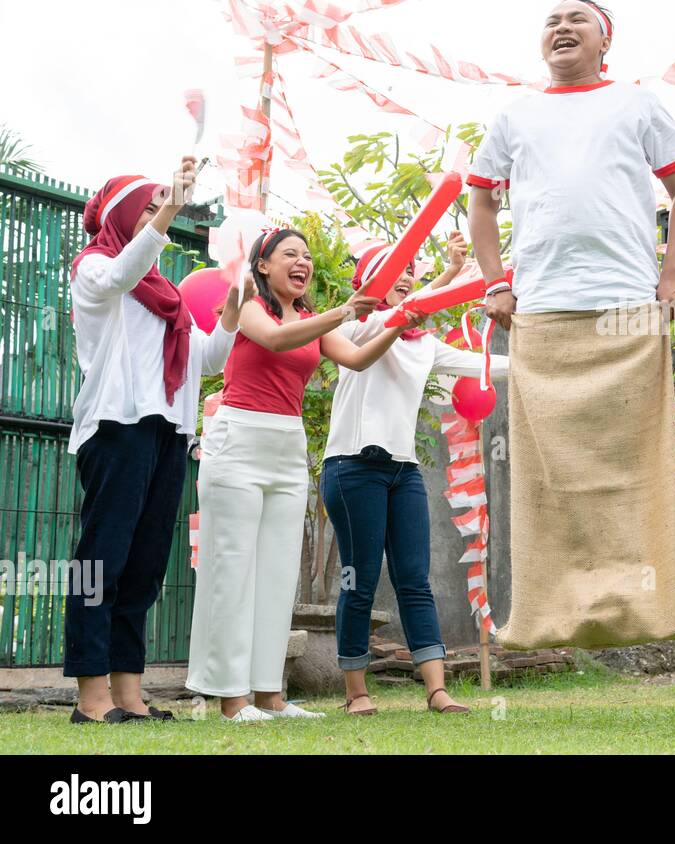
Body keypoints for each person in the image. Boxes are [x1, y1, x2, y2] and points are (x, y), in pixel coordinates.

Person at [467, 0, 675, 649]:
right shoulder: (514, 116)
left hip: (628, 303)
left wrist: (674, 269)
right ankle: (546, 617)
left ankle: (651, 611)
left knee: (635, 465)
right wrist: (496, 282)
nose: (562, 27)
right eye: (551, 20)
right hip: (540, 310)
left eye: (578, 20)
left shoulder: (635, 102)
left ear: (605, 41)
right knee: (551, 474)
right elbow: (481, 203)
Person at [185, 227, 415, 722]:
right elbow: (271, 338)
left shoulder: (310, 318)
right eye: (290, 253)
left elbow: (354, 359)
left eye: (307, 256)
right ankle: (230, 699)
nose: (303, 262)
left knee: (277, 572)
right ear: (263, 264)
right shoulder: (248, 300)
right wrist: (346, 311)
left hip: (288, 445)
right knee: (232, 569)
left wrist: (398, 324)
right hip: (238, 440)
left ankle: (270, 694)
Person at [65, 160, 251, 723]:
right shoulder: (95, 270)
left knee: (144, 566)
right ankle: (90, 696)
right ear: (122, 215)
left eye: (161, 207)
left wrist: (235, 309)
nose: (159, 216)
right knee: (99, 561)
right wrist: (170, 208)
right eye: (147, 207)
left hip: (169, 435)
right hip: (117, 428)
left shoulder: (168, 298)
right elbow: (124, 271)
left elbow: (209, 362)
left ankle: (128, 693)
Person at [320, 234, 509, 716]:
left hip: (401, 471)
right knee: (357, 580)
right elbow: (386, 319)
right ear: (372, 281)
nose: (406, 277)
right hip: (352, 466)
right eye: (395, 271)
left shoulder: (421, 343)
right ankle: (356, 693)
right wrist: (440, 283)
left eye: (411, 271)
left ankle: (437, 690)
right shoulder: (358, 325)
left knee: (414, 579)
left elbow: (482, 364)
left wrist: (544, 361)